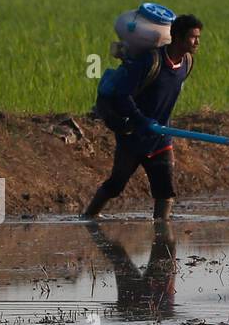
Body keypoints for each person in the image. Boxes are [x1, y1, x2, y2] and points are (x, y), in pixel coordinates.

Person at [82, 14, 203, 229]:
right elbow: (122, 95)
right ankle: (88, 218)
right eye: (193, 37)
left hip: (161, 138)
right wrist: (141, 120)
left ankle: (163, 239)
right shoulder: (151, 62)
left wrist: (157, 125)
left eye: (198, 37)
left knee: (165, 191)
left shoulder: (187, 63)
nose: (197, 42)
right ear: (176, 37)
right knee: (116, 184)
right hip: (133, 137)